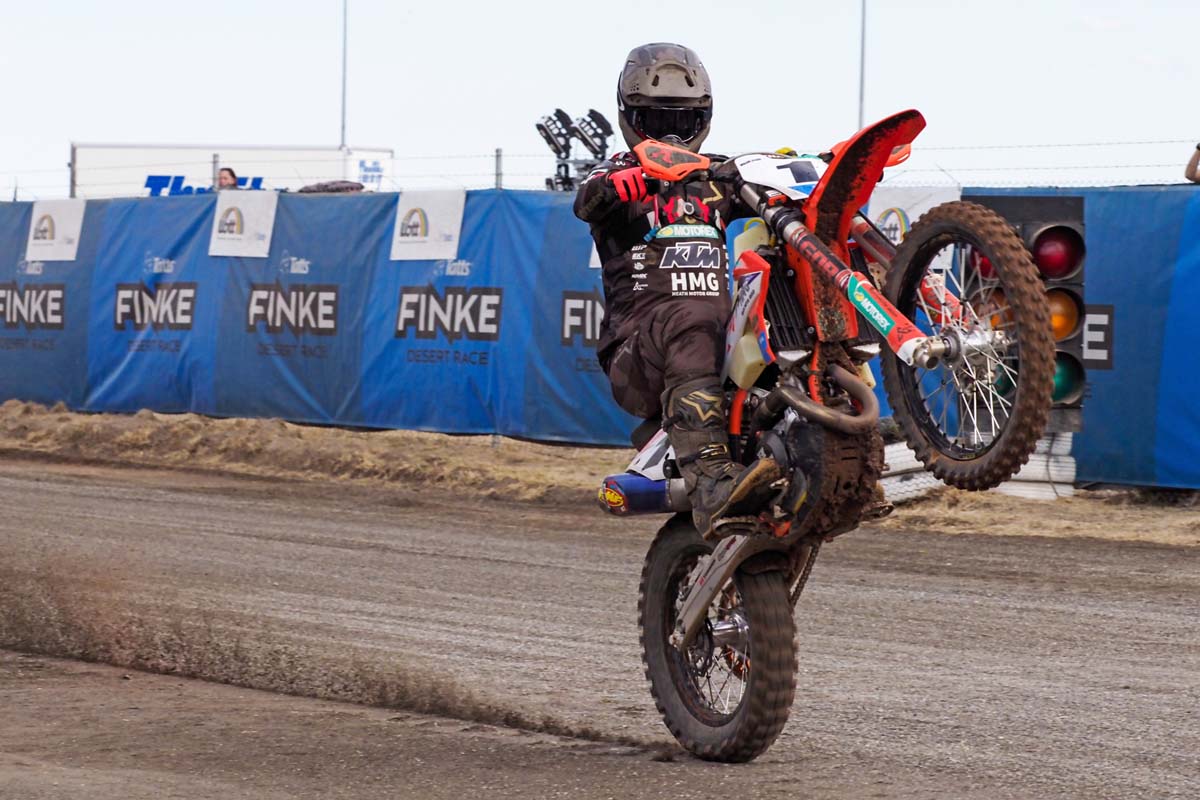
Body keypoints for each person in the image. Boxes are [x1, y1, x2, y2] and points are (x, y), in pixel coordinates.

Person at [574, 42, 781, 538]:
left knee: (782, 281)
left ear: (703, 119)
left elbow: (771, 187)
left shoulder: (718, 174)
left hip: (716, 346)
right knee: (692, 312)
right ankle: (710, 476)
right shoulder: (614, 172)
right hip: (638, 358)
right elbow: (587, 200)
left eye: (683, 122)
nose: (670, 133)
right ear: (629, 117)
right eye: (654, 119)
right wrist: (627, 183)